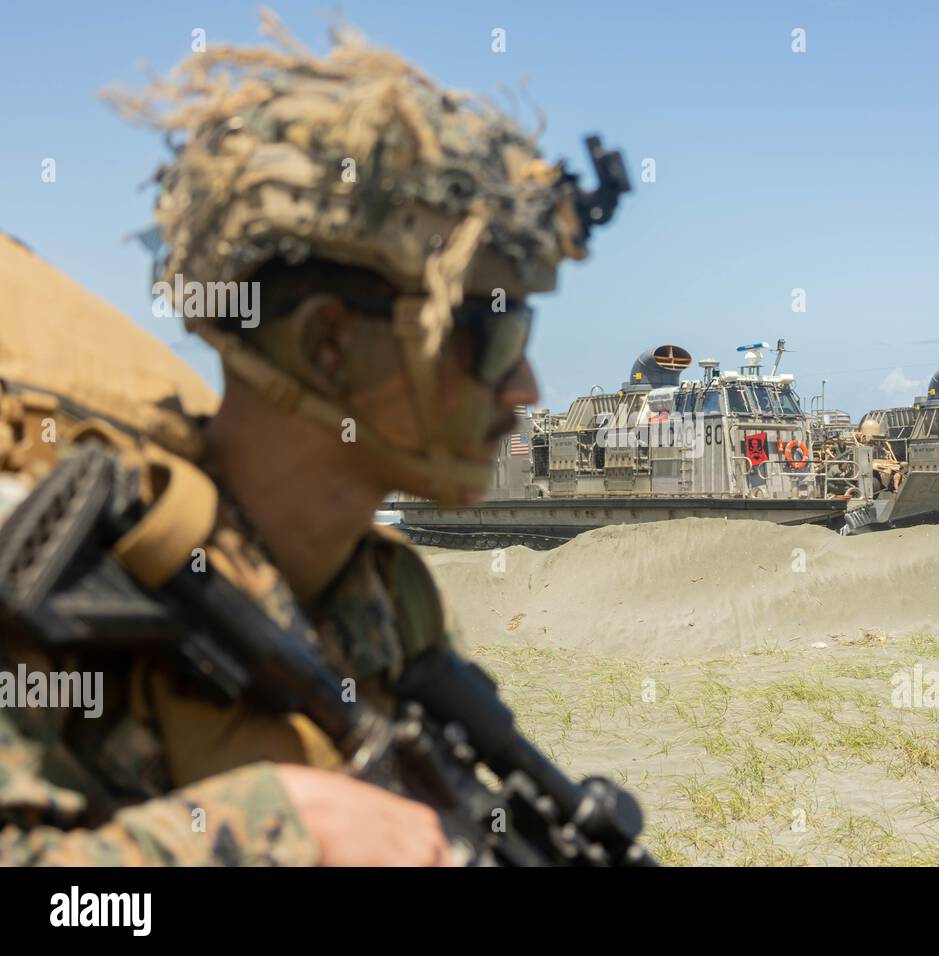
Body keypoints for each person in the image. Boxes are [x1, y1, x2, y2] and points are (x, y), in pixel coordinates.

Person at [0, 13, 623, 865]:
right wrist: (275, 831)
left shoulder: (385, 601)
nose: (526, 389)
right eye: (491, 331)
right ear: (328, 345)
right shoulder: (59, 570)